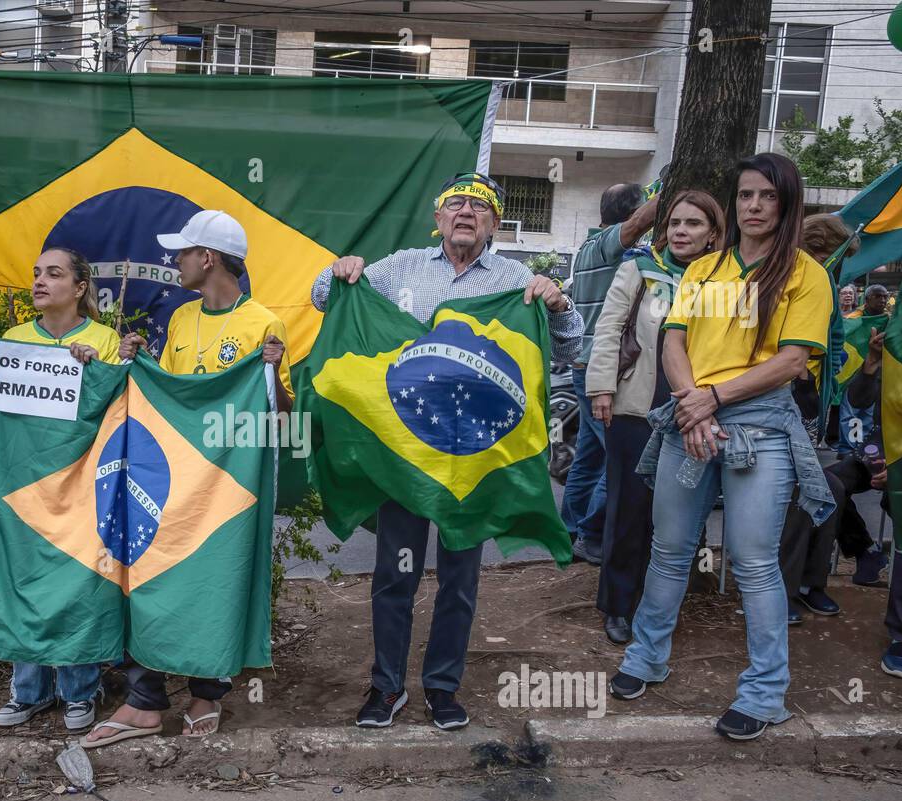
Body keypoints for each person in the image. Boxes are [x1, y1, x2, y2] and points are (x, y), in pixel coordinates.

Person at [309, 171, 582, 730]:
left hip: (475, 461)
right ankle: (386, 688)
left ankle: (442, 687)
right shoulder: (401, 268)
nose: (465, 212)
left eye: (478, 207)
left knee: (460, 580)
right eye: (455, 204)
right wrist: (340, 271)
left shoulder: (516, 279)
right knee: (394, 575)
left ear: (493, 224)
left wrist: (557, 305)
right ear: (438, 218)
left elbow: (571, 346)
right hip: (406, 457)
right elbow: (322, 297)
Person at [608, 153, 835, 742]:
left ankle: (764, 693)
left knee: (755, 562)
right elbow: (673, 342)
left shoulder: (806, 274)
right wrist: (693, 402)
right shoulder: (705, 270)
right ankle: (645, 657)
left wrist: (711, 397)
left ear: (786, 204)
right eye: (745, 196)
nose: (754, 207)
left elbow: (791, 361)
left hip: (760, 429)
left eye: (767, 197)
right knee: (670, 549)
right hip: (692, 422)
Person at [86, 210, 290, 747]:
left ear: (209, 258)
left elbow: (281, 417)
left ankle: (207, 693)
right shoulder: (180, 318)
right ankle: (146, 699)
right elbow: (172, 399)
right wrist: (138, 363)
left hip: (230, 481)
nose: (174, 262)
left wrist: (273, 373)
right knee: (156, 571)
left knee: (216, 579)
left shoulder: (264, 323)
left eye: (182, 253)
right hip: (174, 475)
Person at [0, 247, 120, 732]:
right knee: (23, 577)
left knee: (77, 581)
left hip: (81, 486)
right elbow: (1, 417)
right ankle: (28, 692)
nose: (39, 281)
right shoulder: (12, 340)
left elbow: (122, 407)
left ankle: (80, 690)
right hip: (22, 487)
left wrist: (98, 369)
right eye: (35, 273)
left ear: (79, 288)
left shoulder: (105, 338)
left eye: (53, 274)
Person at [587, 190, 724, 647]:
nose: (681, 232)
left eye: (694, 225)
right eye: (676, 224)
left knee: (674, 516)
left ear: (713, 235)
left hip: (693, 412)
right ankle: (618, 606)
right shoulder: (640, 268)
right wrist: (602, 387)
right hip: (636, 408)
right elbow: (608, 328)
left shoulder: (722, 281)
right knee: (628, 510)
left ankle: (658, 606)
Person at [779, 216, 875, 621]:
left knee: (830, 490)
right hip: (770, 413)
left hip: (805, 409)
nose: (838, 272)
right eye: (835, 261)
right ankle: (776, 594)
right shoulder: (785, 281)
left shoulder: (823, 288)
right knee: (805, 497)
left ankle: (809, 584)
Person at [564, 183, 660, 565]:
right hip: (604, 369)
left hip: (586, 366)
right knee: (619, 459)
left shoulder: (589, 247)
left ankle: (569, 529)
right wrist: (668, 191)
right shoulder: (608, 244)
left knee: (588, 457)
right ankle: (591, 535)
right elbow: (639, 223)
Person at [845, 325, 902, 678]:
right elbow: (859, 399)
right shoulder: (893, 353)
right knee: (825, 485)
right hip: (877, 453)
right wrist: (873, 360)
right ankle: (866, 551)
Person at [837, 284, 889, 456]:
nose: (883, 300)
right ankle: (849, 450)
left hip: (875, 374)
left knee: (866, 414)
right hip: (854, 373)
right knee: (852, 413)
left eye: (885, 296)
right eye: (878, 296)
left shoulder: (888, 321)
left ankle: (861, 449)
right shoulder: (852, 319)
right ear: (867, 299)